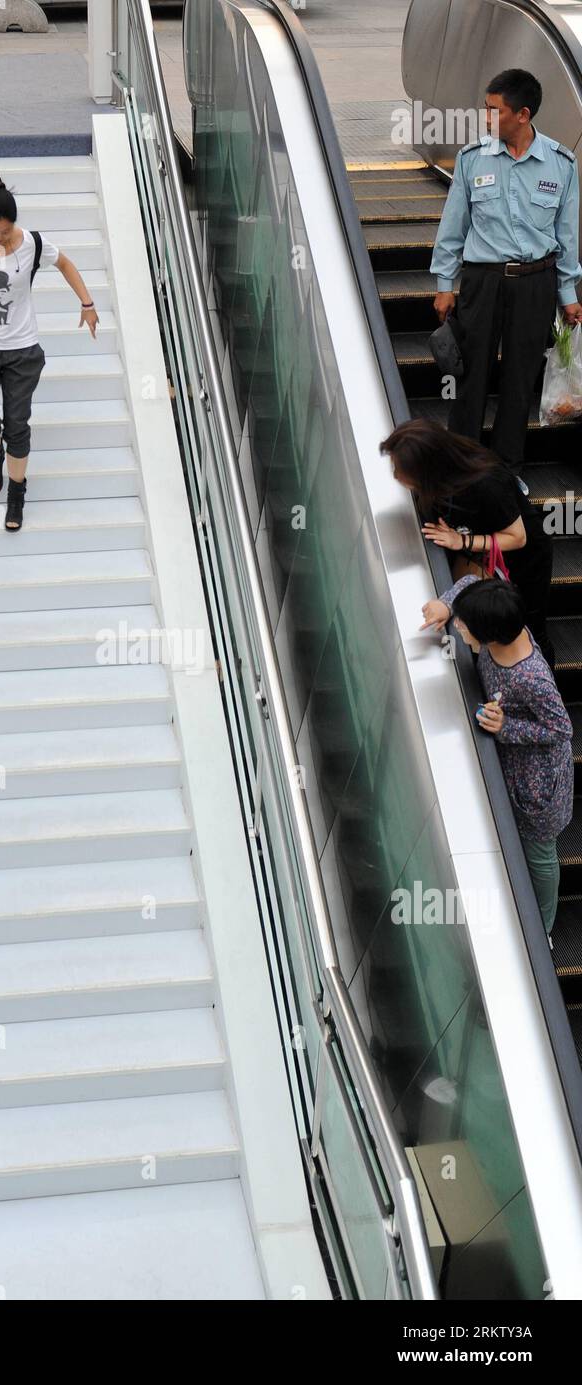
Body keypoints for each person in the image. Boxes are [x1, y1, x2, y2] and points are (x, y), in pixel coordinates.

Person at [431, 68, 582, 473]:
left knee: (519, 381)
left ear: (523, 114)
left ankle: (506, 469)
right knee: (472, 376)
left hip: (537, 282)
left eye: (494, 111)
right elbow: (453, 227)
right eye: (486, 109)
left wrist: (568, 295)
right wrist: (445, 284)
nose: (486, 118)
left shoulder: (561, 164)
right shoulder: (471, 159)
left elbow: (567, 236)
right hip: (483, 280)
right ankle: (461, 465)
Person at [0, 174, 99, 531]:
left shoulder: (32, 243)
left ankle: (17, 490)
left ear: (15, 224)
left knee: (18, 424)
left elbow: (65, 264)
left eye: (5, 233)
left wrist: (87, 303)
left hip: (22, 350)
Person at [421, 576, 572, 942]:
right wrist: (447, 601)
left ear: (489, 634)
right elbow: (474, 581)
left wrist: (507, 727)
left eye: (464, 624)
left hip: (538, 789)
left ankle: (544, 929)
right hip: (513, 769)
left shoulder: (532, 677)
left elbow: (561, 728)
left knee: (540, 857)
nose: (458, 625)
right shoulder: (502, 620)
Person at [381, 417, 554, 665]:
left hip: (524, 563)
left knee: (527, 631)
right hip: (484, 558)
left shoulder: (487, 482)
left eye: (402, 470)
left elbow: (518, 538)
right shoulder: (443, 477)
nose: (396, 476)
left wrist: (461, 541)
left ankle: (541, 685)